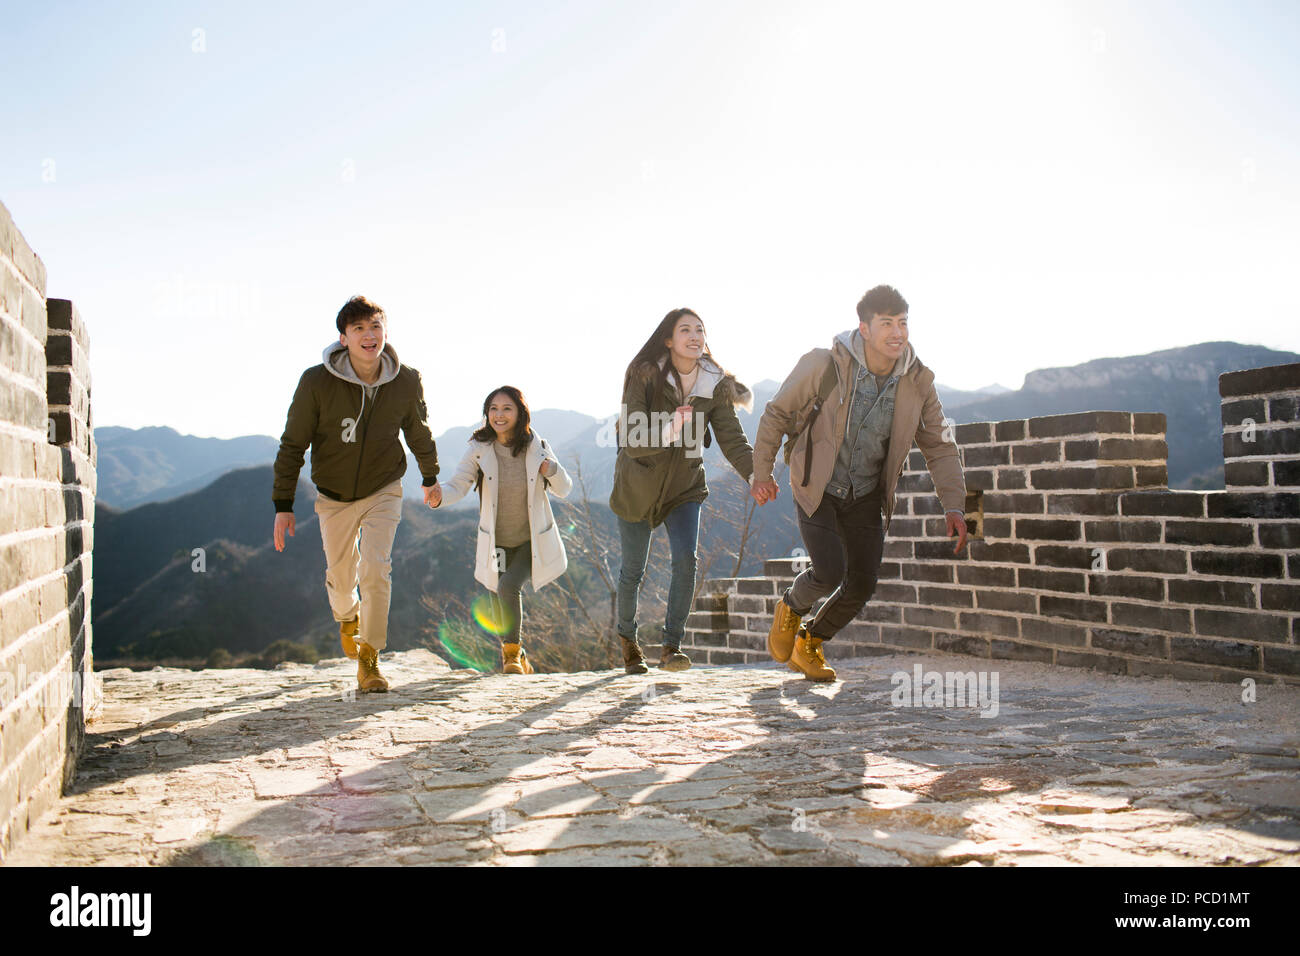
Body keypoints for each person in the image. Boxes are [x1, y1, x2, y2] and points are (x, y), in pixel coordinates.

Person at [751, 284, 968, 682]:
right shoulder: (823, 365)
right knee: (829, 571)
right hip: (816, 483)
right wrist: (762, 473)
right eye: (886, 323)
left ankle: (810, 641)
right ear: (864, 329)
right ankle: (791, 605)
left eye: (902, 322)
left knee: (862, 584)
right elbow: (776, 414)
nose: (897, 333)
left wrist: (954, 505)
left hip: (867, 492)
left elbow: (939, 445)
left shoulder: (918, 382)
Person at [272, 295, 442, 693]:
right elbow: (292, 444)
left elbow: (419, 432)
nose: (370, 336)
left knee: (376, 568)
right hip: (333, 495)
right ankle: (348, 618)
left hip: (384, 487)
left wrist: (430, 476)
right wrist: (283, 505)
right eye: (359, 329)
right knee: (341, 575)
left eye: (376, 326)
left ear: (385, 331)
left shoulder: (406, 379)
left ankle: (370, 658)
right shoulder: (316, 381)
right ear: (343, 338)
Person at [609, 307, 755, 674]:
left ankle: (671, 647)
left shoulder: (714, 384)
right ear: (668, 340)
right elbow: (630, 437)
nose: (695, 336)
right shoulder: (644, 375)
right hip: (638, 484)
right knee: (632, 571)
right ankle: (629, 643)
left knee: (685, 562)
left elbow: (733, 440)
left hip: (684, 487)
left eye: (700, 330)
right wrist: (670, 430)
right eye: (685, 330)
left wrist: (758, 476)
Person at [434, 386, 572, 674]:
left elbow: (564, 489)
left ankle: (511, 653)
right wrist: (439, 496)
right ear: (487, 414)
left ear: (520, 412)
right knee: (497, 593)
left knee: (509, 586)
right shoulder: (479, 450)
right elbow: (458, 484)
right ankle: (518, 657)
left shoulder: (538, 446)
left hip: (528, 541)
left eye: (507, 408)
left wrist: (552, 470)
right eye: (493, 409)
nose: (499, 415)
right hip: (496, 541)